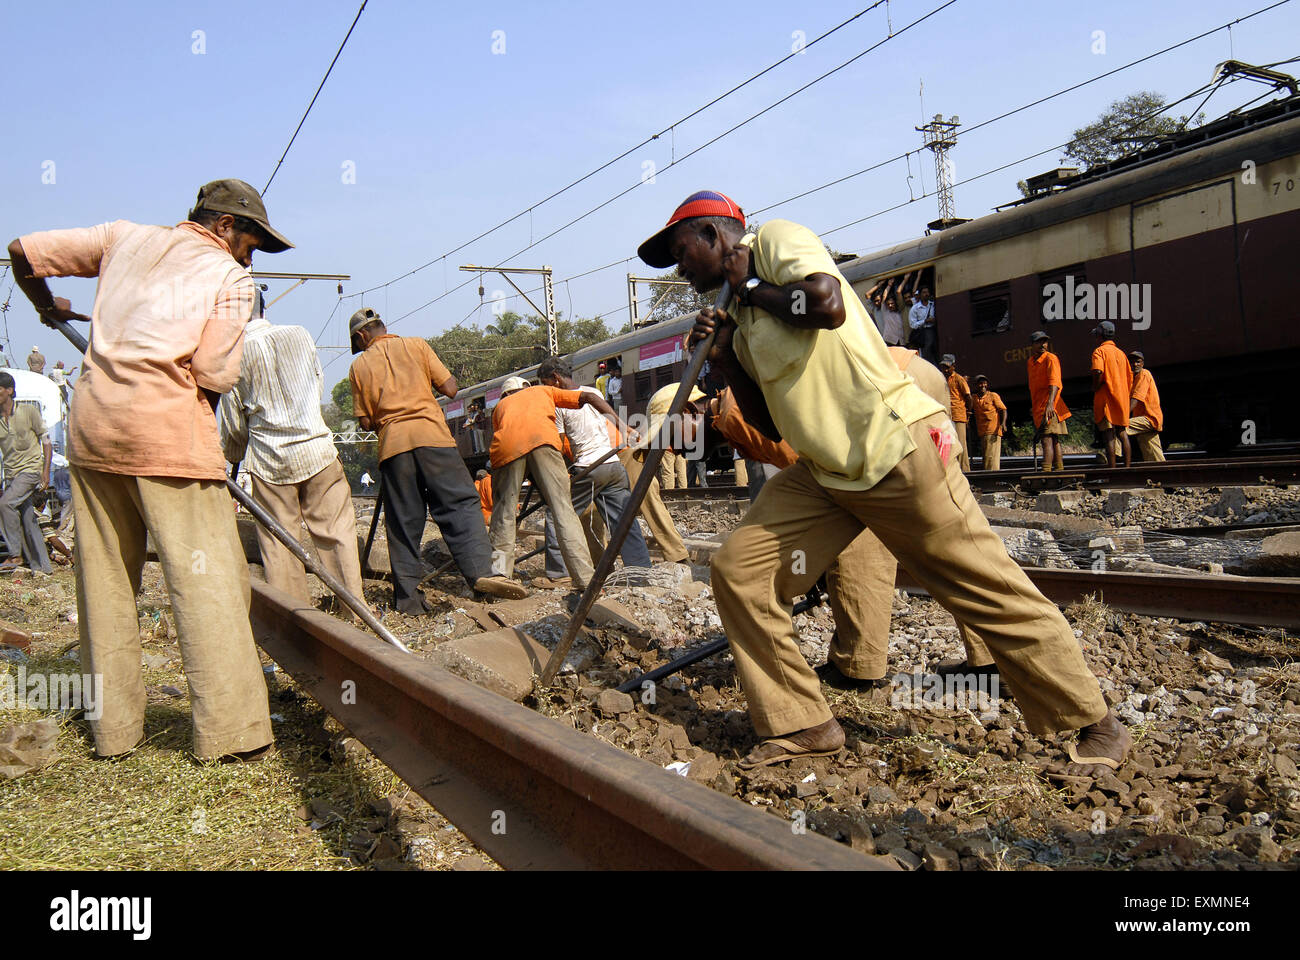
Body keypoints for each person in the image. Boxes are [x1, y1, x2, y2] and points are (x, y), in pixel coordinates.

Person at [639, 189, 1129, 776]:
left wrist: (747, 288)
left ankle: (1094, 722)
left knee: (980, 583)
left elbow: (825, 304)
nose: (680, 266)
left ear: (716, 236)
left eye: (681, 250)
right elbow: (770, 421)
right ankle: (802, 723)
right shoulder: (742, 319)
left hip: (897, 451)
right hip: (827, 472)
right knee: (740, 572)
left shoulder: (775, 244)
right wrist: (723, 356)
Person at [7, 178, 294, 761]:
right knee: (207, 582)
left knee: (106, 583)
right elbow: (213, 373)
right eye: (250, 243)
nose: (250, 257)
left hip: (93, 432)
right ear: (222, 226)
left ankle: (113, 732)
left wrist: (45, 305)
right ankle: (231, 733)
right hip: (167, 436)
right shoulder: (231, 280)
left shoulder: (122, 237)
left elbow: (22, 250)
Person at [348, 308, 526, 613]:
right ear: (382, 326)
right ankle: (483, 577)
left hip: (395, 448)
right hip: (435, 439)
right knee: (461, 505)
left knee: (403, 523)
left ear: (362, 335)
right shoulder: (416, 345)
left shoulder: (359, 365)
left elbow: (364, 422)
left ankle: (408, 601)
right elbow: (450, 388)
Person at [220, 314, 366, 614]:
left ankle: (298, 619)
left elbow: (233, 427)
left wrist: (235, 455)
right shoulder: (299, 332)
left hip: (270, 463)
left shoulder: (231, 355)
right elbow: (316, 382)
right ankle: (354, 610)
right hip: (318, 451)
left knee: (280, 543)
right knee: (337, 532)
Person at [487, 375, 616, 590]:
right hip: (544, 440)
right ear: (527, 387)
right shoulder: (543, 391)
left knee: (504, 515)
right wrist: (620, 423)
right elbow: (587, 396)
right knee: (564, 510)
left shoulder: (500, 406)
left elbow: (509, 436)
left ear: (505, 394)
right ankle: (585, 578)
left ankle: (499, 575)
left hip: (507, 450)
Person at [536, 356, 650, 587]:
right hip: (613, 465)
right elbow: (609, 419)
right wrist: (625, 428)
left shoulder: (559, 403)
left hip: (589, 468)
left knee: (556, 514)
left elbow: (560, 443)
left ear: (555, 379)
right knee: (623, 520)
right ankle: (640, 572)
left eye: (545, 383)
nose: (544, 389)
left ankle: (559, 574)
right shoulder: (593, 393)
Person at [0, 371, 53, 574]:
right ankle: (42, 568)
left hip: (30, 471)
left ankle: (15, 554)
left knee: (5, 504)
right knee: (28, 518)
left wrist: (45, 472)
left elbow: (46, 441)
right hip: (11, 474)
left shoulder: (28, 411)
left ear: (9, 391)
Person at [1091, 320, 1132, 468]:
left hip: (1106, 398)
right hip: (1121, 398)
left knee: (1109, 435)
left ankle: (1113, 469)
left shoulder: (1099, 351)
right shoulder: (1121, 354)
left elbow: (1097, 371)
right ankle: (1127, 468)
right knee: (1122, 432)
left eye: (1097, 335)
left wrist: (1096, 386)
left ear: (1100, 336)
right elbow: (1129, 378)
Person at [1027, 331, 1070, 471]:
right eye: (1039, 342)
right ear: (1032, 345)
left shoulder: (1051, 358)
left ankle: (1046, 473)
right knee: (1054, 440)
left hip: (1051, 406)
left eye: (1045, 342)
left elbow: (1055, 383)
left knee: (1046, 440)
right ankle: (1059, 471)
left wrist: (1050, 404)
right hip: (1040, 407)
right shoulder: (1030, 362)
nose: (1043, 344)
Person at [1127, 351, 1165, 462]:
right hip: (1144, 420)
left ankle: (1112, 456)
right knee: (1154, 457)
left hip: (1148, 418)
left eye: (1138, 362)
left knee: (1119, 426)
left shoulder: (1144, 374)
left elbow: (1136, 399)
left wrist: (1121, 416)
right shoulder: (1134, 378)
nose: (1135, 364)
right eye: (1132, 362)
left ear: (1143, 363)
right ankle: (1162, 477)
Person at [938, 354, 973, 472]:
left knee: (961, 444)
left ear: (954, 366)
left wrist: (968, 412)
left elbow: (968, 397)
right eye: (943, 367)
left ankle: (965, 471)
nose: (945, 370)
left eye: (947, 367)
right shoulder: (943, 379)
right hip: (947, 416)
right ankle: (955, 471)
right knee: (950, 444)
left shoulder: (959, 379)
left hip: (958, 415)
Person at [970, 374, 1007, 471]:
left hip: (993, 430)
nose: (983, 385)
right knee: (986, 457)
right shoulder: (974, 398)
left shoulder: (993, 396)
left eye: (984, 383)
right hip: (982, 432)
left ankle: (993, 479)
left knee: (991, 458)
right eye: (980, 384)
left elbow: (1003, 409)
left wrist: (1003, 424)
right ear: (976, 385)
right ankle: (989, 478)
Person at [909, 284, 938, 363]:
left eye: (927, 292)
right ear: (920, 295)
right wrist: (925, 321)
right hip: (924, 333)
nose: (926, 294)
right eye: (924, 292)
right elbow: (912, 324)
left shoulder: (933, 304)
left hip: (935, 330)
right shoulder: (915, 309)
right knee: (926, 354)